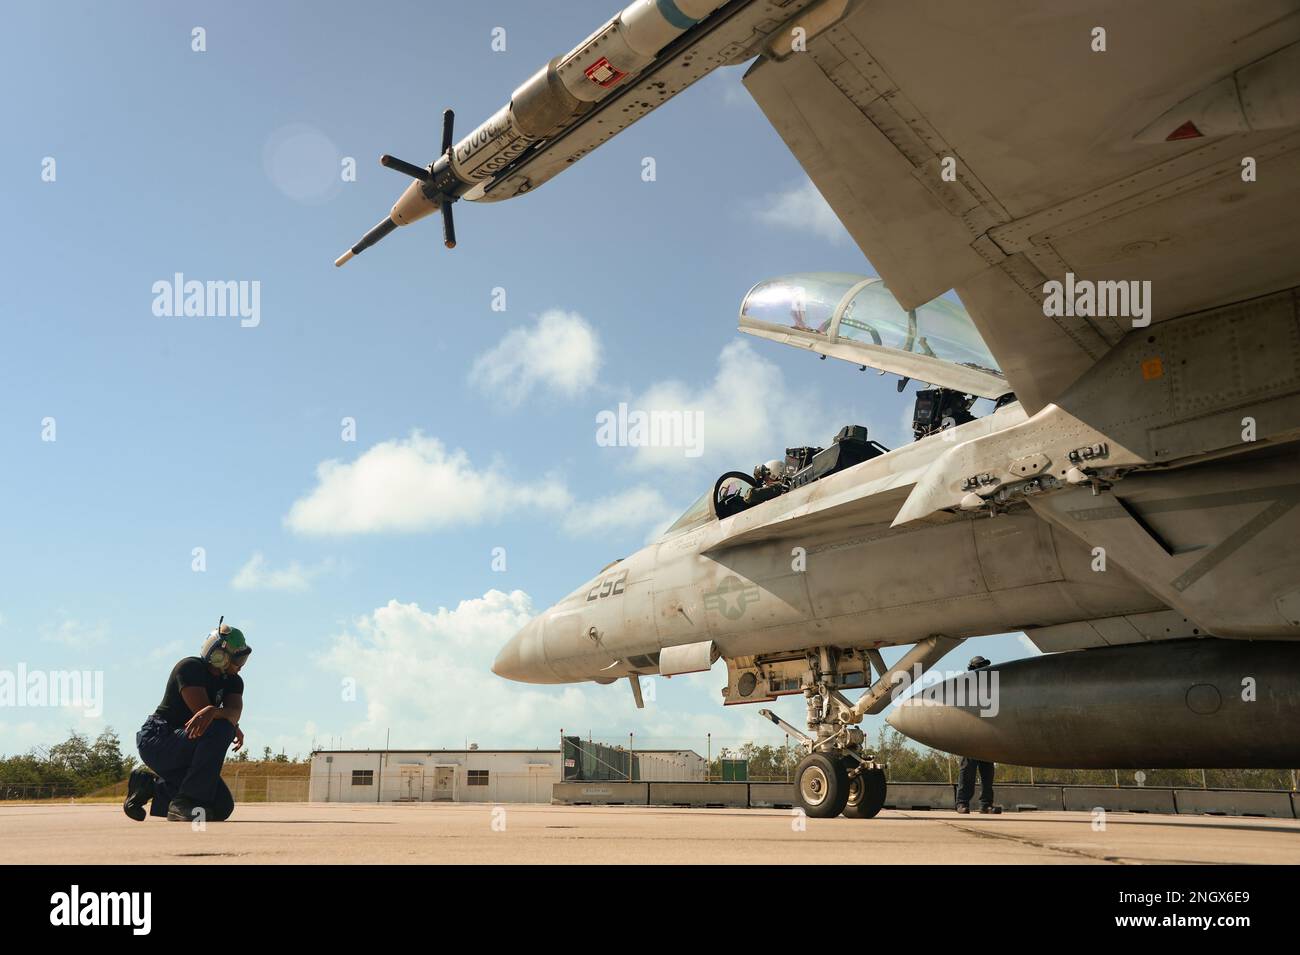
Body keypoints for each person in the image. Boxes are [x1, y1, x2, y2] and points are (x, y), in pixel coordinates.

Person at [123, 621, 249, 822]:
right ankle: (184, 803)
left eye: (244, 658)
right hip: (159, 741)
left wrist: (224, 717)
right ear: (218, 655)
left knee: (222, 806)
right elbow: (202, 715)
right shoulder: (190, 668)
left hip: (189, 744)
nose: (241, 665)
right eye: (237, 658)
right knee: (222, 729)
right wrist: (223, 718)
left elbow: (234, 713)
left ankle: (148, 787)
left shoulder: (234, 681)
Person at [955, 655, 1000, 815]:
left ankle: (986, 804)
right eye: (981, 666)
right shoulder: (965, 687)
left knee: (988, 772)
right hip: (969, 736)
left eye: (985, 666)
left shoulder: (990, 688)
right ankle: (962, 803)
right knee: (967, 770)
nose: (984, 669)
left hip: (987, 735)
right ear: (973, 669)